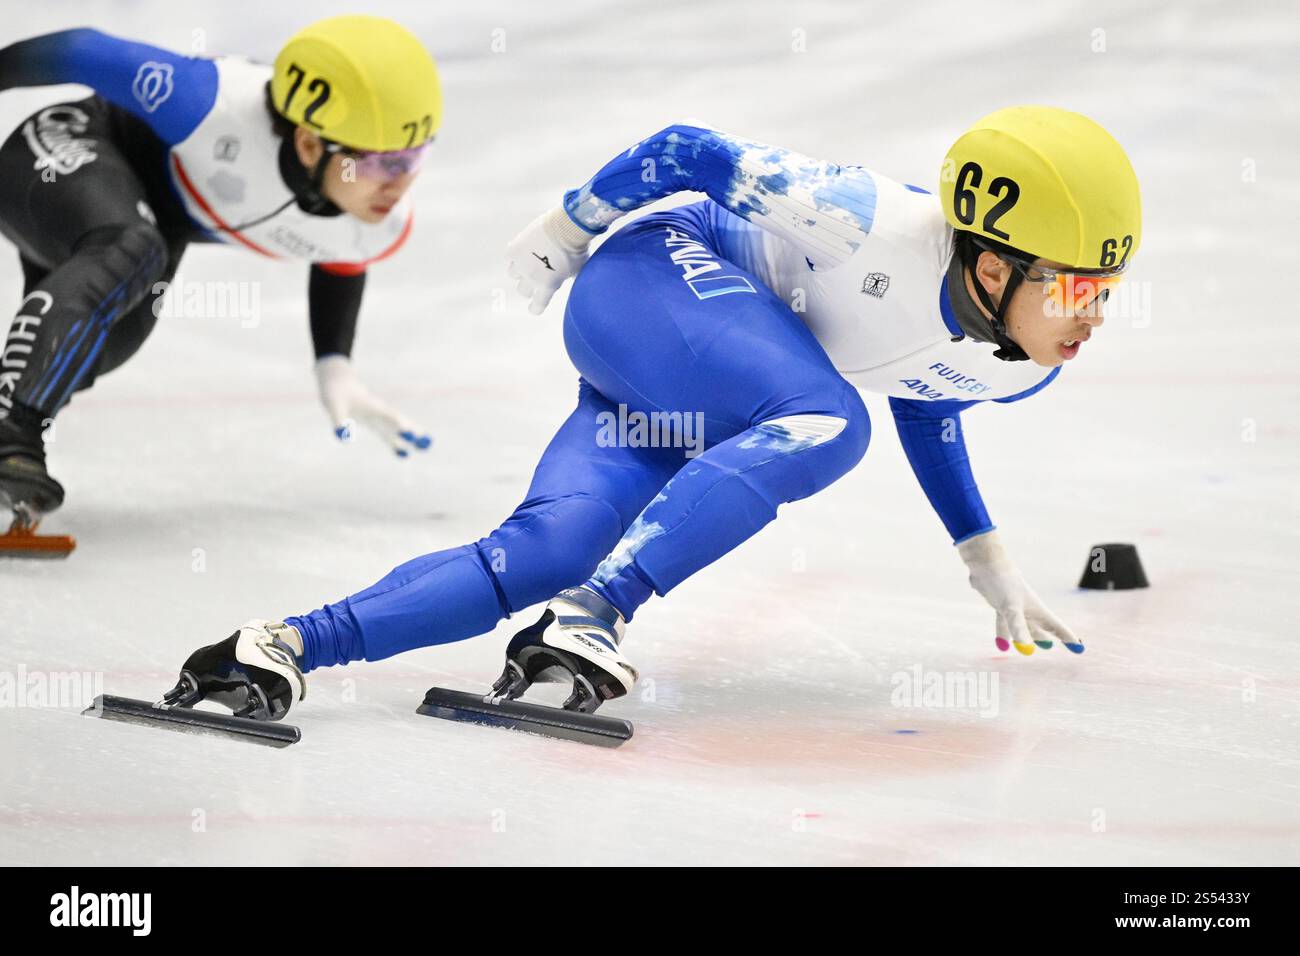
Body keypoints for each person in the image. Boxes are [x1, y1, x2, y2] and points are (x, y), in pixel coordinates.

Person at [172, 106, 1141, 723]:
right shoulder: (859, 217)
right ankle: (598, 613)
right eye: (1079, 288)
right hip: (653, 279)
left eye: (1106, 290)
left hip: (690, 385)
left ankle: (281, 645)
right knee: (828, 419)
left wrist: (983, 550)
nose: (1095, 315)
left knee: (549, 546)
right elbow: (686, 150)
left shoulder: (1024, 363)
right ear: (988, 263)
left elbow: (934, 391)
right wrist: (563, 231)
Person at [0, 16, 440, 546]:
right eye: (380, 161)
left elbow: (340, 257)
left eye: (416, 156)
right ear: (307, 145)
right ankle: (11, 433)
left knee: (108, 344)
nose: (400, 182)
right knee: (131, 249)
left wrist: (335, 366)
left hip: (143, 221)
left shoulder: (376, 223)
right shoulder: (207, 104)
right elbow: (78, 49)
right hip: (67, 150)